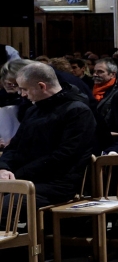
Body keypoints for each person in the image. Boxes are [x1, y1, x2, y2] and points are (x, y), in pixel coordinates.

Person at [0, 61, 96, 207]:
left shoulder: (77, 111)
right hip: (26, 179)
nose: (22, 94)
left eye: (25, 89)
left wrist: (18, 175)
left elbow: (63, 157)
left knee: (3, 206)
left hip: (56, 184)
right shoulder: (33, 110)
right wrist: (4, 168)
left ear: (41, 86)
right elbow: (14, 146)